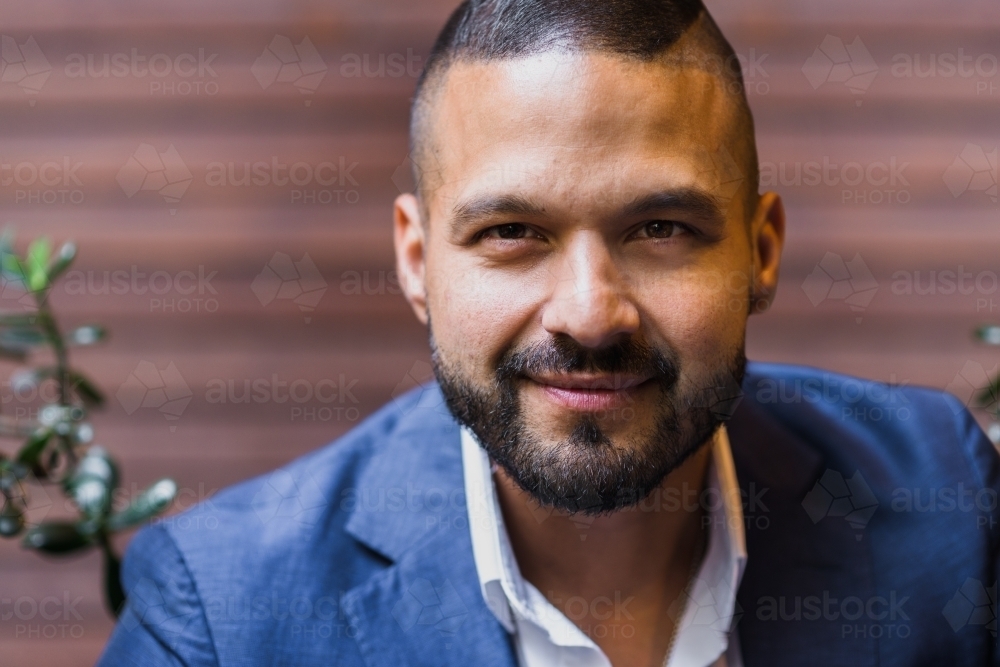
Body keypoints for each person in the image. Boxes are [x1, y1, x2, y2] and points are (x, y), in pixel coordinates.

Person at [98, 1, 1000, 665]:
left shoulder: (942, 490)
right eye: (512, 234)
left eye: (661, 229)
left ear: (761, 252)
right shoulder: (226, 613)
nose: (589, 312)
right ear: (418, 262)